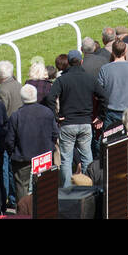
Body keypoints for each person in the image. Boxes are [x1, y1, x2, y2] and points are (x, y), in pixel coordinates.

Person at [46, 49, 95, 187]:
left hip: (68, 124)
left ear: (69, 63)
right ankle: (88, 186)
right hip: (85, 123)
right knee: (87, 156)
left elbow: (50, 98)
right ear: (81, 61)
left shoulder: (62, 80)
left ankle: (68, 190)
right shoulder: (89, 78)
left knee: (66, 159)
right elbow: (103, 96)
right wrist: (101, 117)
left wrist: (56, 116)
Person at [0, 84, 58, 198]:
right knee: (43, 185)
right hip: (42, 156)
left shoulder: (16, 116)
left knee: (22, 187)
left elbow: (9, 141)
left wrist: (13, 153)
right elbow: (55, 134)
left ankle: (23, 213)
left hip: (23, 158)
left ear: (22, 99)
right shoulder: (47, 112)